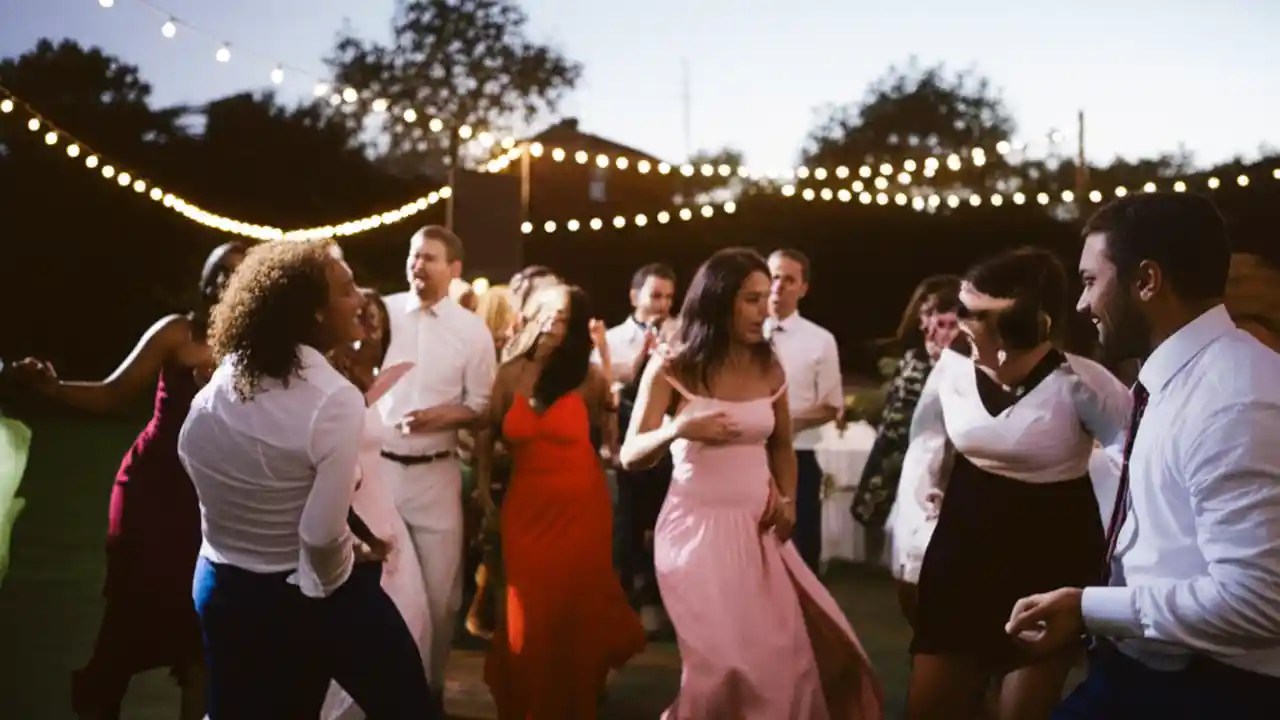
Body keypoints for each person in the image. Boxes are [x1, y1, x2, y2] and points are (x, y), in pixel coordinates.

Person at [1006, 193, 1280, 719]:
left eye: (1090, 281)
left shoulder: (1234, 400)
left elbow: (1257, 601)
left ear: (1147, 281)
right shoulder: (1169, 381)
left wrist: (1090, 609)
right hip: (1143, 667)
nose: (1082, 305)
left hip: (1214, 687)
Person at [622, 247, 882, 719]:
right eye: (752, 300)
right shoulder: (672, 366)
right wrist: (678, 429)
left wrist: (787, 499)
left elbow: (782, 446)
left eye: (767, 298)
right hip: (694, 532)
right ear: (719, 300)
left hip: (759, 530)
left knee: (782, 659)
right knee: (721, 666)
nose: (766, 310)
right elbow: (630, 454)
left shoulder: (769, 365)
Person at [179, 240, 434, 718]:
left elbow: (191, 451)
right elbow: (318, 536)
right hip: (308, 591)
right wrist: (344, 569)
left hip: (222, 584)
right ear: (314, 314)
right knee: (407, 705)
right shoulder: (333, 398)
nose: (360, 298)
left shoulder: (230, 370)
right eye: (346, 290)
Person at [14, 242, 246, 720]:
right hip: (151, 490)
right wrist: (53, 389)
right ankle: (98, 694)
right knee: (127, 622)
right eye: (218, 271)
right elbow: (113, 393)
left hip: (208, 503)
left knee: (200, 638)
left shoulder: (257, 350)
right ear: (205, 279)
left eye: (238, 274)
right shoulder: (177, 332)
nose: (225, 281)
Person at [902, 247, 1132, 720]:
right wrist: (915, 527)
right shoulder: (950, 369)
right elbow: (924, 444)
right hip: (960, 553)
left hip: (1047, 557)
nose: (961, 320)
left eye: (976, 312)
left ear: (1029, 320)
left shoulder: (1083, 383)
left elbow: (1136, 469)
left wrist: (1121, 571)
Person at [479, 284, 645, 718]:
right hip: (526, 508)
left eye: (565, 316)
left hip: (580, 508)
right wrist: (483, 494)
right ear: (534, 313)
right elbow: (487, 434)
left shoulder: (586, 377)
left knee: (572, 607)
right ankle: (528, 702)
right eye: (549, 311)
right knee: (527, 608)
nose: (554, 321)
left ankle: (575, 698)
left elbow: (611, 442)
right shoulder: (510, 372)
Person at [377, 225, 497, 693]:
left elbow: (483, 408)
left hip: (438, 471)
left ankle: (428, 689)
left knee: (442, 596)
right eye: (413, 256)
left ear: (454, 269)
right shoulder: (382, 313)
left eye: (429, 257)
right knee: (381, 589)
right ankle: (380, 692)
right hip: (381, 470)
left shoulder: (472, 331)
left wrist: (446, 415)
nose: (417, 265)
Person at [320, 290, 431, 720]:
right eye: (359, 314)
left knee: (413, 616)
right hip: (347, 511)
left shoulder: (382, 373)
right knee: (354, 636)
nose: (366, 324)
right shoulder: (330, 374)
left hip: (382, 507)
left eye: (374, 318)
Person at [851, 275, 962, 625]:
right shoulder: (914, 363)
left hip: (949, 478)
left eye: (946, 324)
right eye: (930, 321)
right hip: (910, 474)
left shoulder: (969, 372)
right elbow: (893, 428)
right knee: (908, 573)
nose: (934, 331)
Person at [595, 262, 679, 633]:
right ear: (634, 297)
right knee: (626, 527)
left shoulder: (682, 337)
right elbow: (599, 384)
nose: (662, 304)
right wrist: (635, 366)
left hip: (670, 448)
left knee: (664, 525)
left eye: (668, 297)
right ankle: (625, 605)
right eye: (655, 295)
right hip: (625, 446)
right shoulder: (610, 339)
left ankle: (663, 603)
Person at [766, 248, 843, 572]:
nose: (778, 286)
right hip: (746, 456)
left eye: (788, 279)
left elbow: (831, 405)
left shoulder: (820, 340)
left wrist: (783, 424)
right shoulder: (742, 335)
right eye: (773, 277)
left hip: (799, 454)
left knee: (800, 548)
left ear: (803, 288)